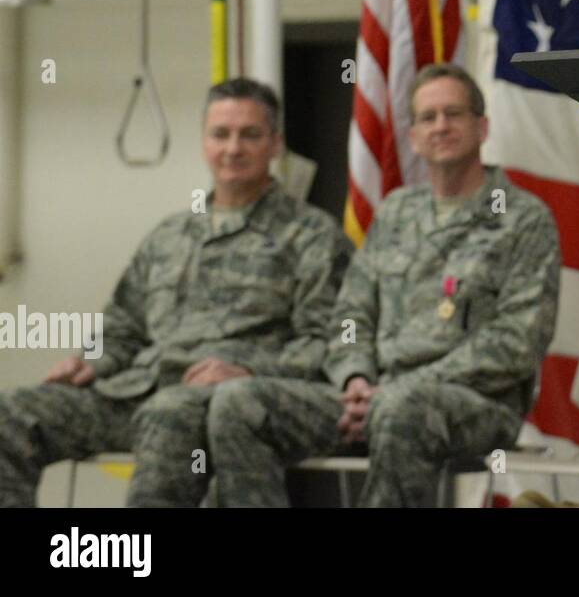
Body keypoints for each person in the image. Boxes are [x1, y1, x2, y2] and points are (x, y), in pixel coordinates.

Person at [209, 63, 561, 507]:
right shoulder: (395, 212)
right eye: (427, 118)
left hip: (477, 403)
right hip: (373, 395)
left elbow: (516, 342)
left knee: (403, 409)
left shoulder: (523, 218)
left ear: (482, 127)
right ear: (412, 137)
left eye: (453, 114)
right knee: (239, 403)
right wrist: (355, 376)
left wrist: (400, 388)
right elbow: (350, 316)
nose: (440, 126)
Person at [0, 78, 352, 507]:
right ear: (204, 142)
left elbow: (327, 343)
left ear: (275, 144)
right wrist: (89, 363)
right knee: (11, 412)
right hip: (134, 393)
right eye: (220, 134)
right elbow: (122, 325)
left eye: (250, 135)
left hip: (211, 405)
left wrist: (248, 370)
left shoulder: (312, 236)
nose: (233, 148)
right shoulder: (170, 236)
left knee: (169, 414)